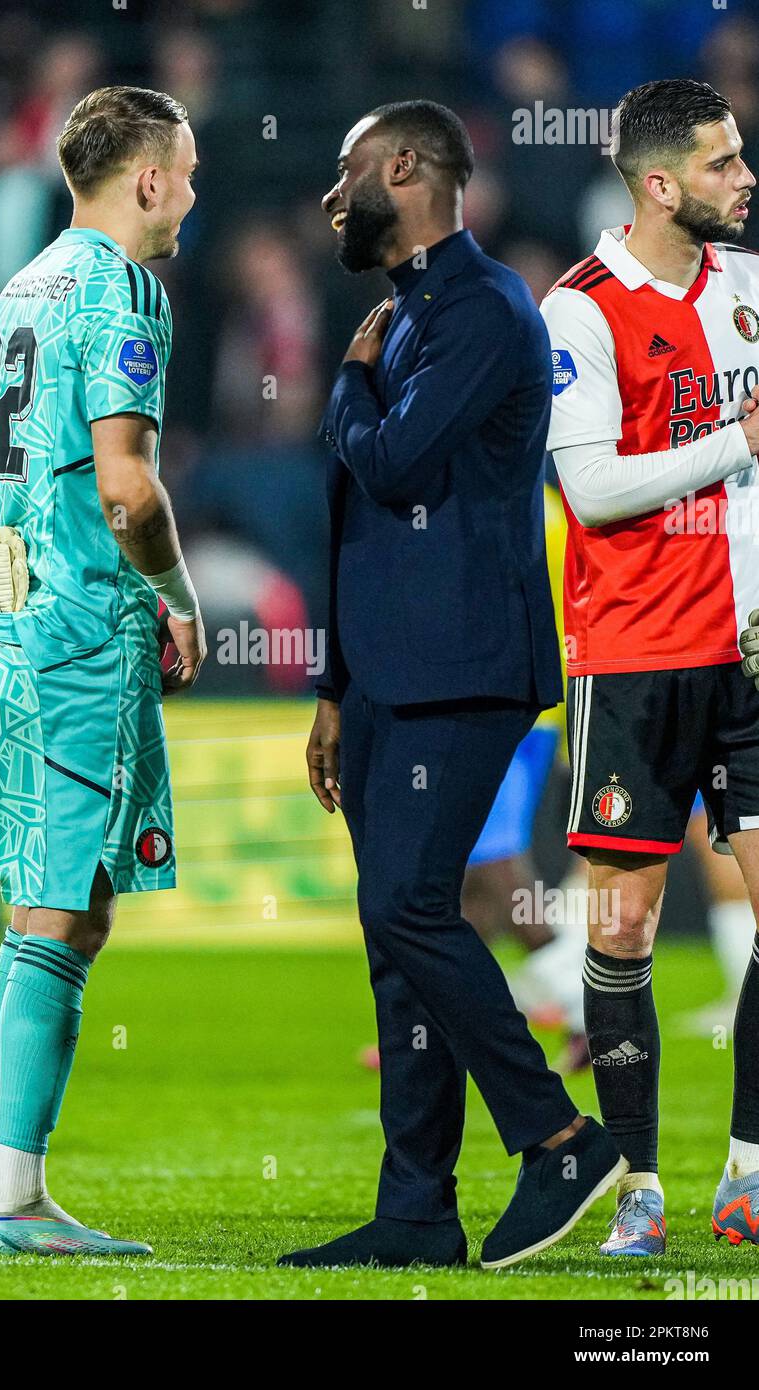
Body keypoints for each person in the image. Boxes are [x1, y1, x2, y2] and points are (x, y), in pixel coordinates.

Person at [279, 100, 625, 1273]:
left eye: (344, 172)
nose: (332, 196)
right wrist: (332, 688)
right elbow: (357, 516)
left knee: (410, 907)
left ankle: (559, 1135)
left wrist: (348, 384)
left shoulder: (482, 307)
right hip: (385, 671)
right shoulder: (410, 310)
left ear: (407, 168)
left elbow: (391, 460)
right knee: (394, 936)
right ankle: (416, 1206)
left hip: (461, 664)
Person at [0, 85, 206, 1257]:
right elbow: (126, 487)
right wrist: (176, 597)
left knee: (74, 908)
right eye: (184, 173)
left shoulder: (23, 287)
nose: (191, 194)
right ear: (146, 180)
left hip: (1, 609)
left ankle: (21, 1192)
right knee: (51, 910)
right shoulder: (123, 286)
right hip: (71, 628)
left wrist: (0, 622)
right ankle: (8, 1200)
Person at [540, 77, 759, 1255]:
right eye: (725, 163)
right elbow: (593, 489)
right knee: (623, 930)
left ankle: (751, 1166)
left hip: (752, 650)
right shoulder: (580, 309)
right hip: (633, 655)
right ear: (662, 183)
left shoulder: (752, 290)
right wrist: (739, 440)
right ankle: (639, 1185)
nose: (747, 178)